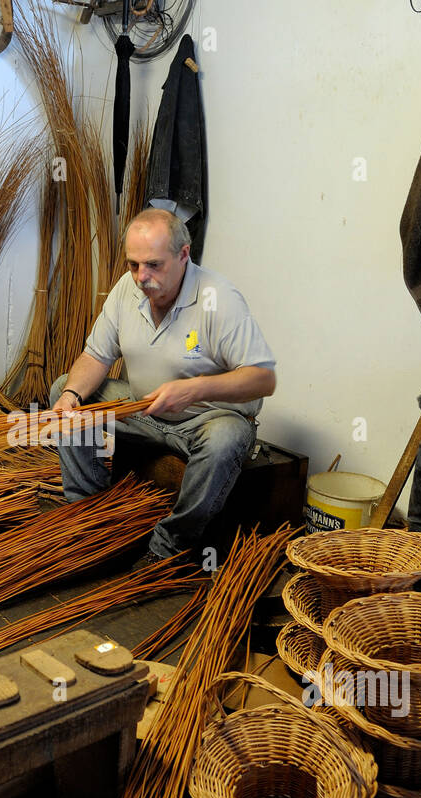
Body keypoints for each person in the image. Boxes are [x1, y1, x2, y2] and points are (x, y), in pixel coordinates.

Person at [49, 208, 277, 563]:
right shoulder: (127, 289)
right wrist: (70, 396)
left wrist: (194, 389)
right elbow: (95, 356)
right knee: (64, 388)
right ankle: (87, 511)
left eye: (154, 265)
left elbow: (263, 379)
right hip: (141, 411)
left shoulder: (219, 298)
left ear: (183, 254)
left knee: (227, 438)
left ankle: (168, 546)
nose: (142, 276)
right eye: (133, 265)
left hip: (202, 422)